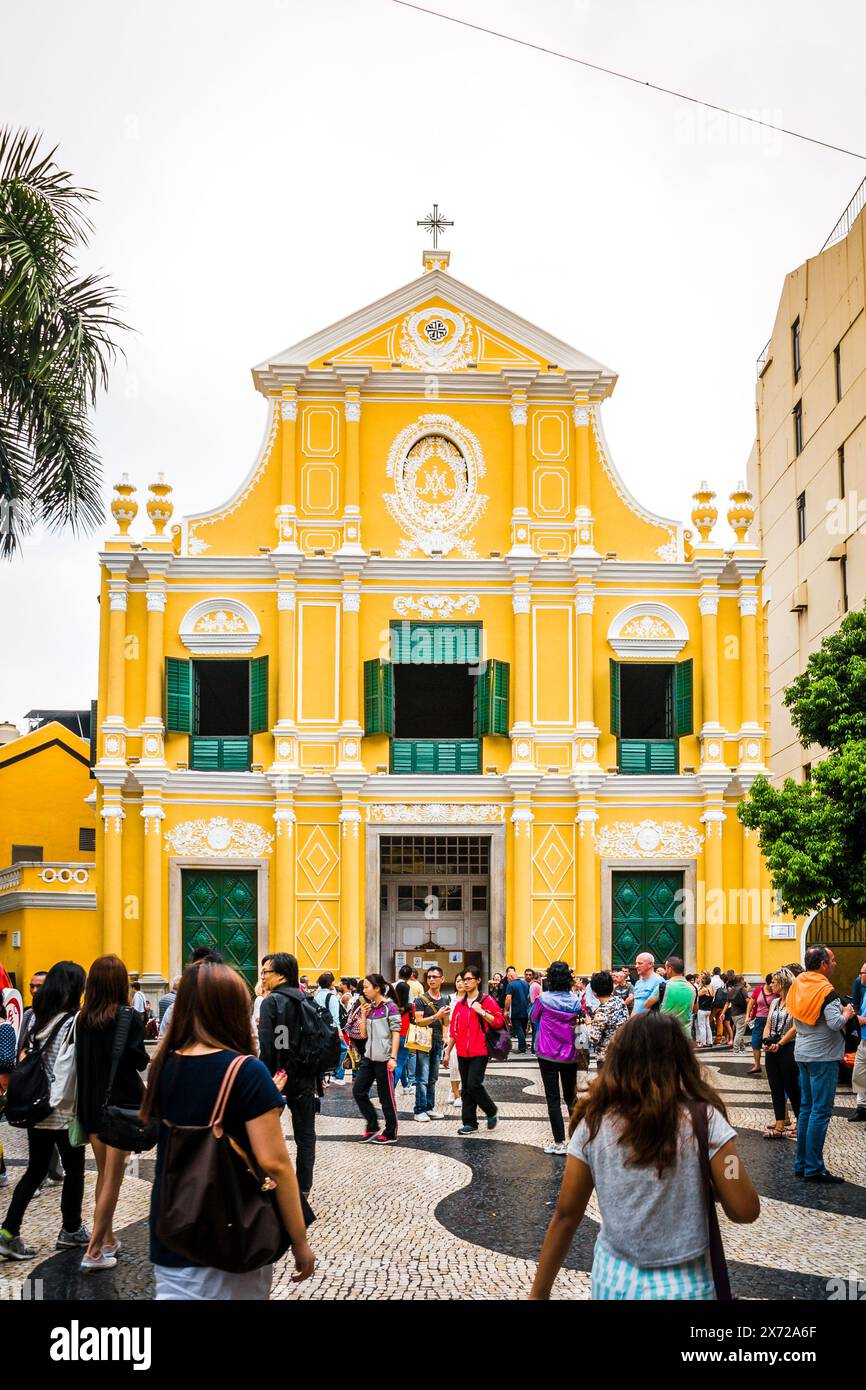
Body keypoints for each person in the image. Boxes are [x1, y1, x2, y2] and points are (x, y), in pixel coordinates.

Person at [529, 1011, 760, 1300]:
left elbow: (566, 1214)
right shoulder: (705, 1120)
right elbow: (745, 1209)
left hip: (613, 1281)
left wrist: (539, 1294)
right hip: (686, 1285)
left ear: (619, 1058)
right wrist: (710, 1183)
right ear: (681, 1059)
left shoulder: (594, 1122)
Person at [141, 961, 314, 1299]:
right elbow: (275, 1164)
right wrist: (299, 1241)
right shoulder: (246, 1071)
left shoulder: (165, 1064)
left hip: (171, 1230)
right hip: (230, 1234)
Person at [0, 961, 88, 1262]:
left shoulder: (40, 1018)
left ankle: (9, 1232)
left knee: (35, 1169)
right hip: (61, 1108)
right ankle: (71, 1229)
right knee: (75, 1169)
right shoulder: (72, 1021)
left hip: (38, 1107)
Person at [75, 953, 149, 1270]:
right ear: (120, 984)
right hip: (119, 1107)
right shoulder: (127, 1017)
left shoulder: (82, 1018)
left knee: (104, 1175)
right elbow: (137, 1060)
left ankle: (105, 1240)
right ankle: (93, 1250)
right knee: (112, 1180)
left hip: (90, 1105)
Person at [786, 944, 855, 1183]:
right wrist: (848, 1012)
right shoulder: (826, 990)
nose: (835, 963)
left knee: (806, 1109)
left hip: (802, 1052)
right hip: (823, 1056)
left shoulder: (798, 984)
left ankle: (801, 1163)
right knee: (820, 1111)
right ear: (823, 964)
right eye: (833, 960)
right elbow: (836, 1023)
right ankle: (814, 1167)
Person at [257, 953, 318, 1198]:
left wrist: (267, 1076)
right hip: (305, 1076)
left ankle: (265, 1180)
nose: (262, 976)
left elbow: (273, 1043)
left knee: (262, 1131)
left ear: (281, 975)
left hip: (278, 1078)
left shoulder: (272, 1002)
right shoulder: (307, 998)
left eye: (266, 972)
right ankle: (303, 1185)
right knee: (305, 1134)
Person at [531, 961, 585, 1155]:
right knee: (571, 1097)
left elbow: (534, 1017)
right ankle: (578, 1140)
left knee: (552, 1098)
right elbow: (581, 1017)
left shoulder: (542, 999)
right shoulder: (575, 1001)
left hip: (547, 1053)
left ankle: (559, 1141)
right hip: (570, 1054)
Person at [449, 965, 504, 1135]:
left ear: (478, 981)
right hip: (461, 1052)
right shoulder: (460, 1004)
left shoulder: (486, 1000)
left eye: (469, 979)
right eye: (463, 980)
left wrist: (482, 1013)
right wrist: (447, 1051)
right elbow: (453, 1029)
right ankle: (469, 1122)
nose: (465, 983)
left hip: (480, 1050)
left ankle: (491, 1110)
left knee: (473, 1084)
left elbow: (499, 1022)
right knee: (466, 1088)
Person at [352, 975, 401, 1144]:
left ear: (377, 988)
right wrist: (364, 1015)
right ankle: (372, 1124)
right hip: (369, 1058)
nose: (364, 990)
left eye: (366, 987)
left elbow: (396, 1033)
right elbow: (363, 1034)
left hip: (384, 1059)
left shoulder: (390, 1007)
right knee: (358, 1091)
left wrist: (393, 1057)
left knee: (385, 1096)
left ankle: (391, 1131)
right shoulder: (371, 1008)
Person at [761, 969, 799, 1140]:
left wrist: (780, 1043)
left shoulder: (795, 1002)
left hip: (788, 1047)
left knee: (791, 1086)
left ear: (783, 983)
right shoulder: (775, 1002)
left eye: (774, 981)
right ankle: (779, 1123)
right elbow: (768, 1023)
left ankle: (800, 1121)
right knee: (775, 1086)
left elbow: (795, 1027)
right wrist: (766, 1040)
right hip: (773, 1048)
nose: (771, 984)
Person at [411, 967, 448, 1122]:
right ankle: (419, 1110)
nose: (431, 979)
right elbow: (419, 1021)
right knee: (422, 1077)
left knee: (433, 1077)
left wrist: (445, 1035)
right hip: (423, 1041)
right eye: (429, 977)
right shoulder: (420, 1000)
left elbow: (446, 1020)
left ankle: (429, 1107)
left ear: (442, 979)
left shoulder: (445, 1000)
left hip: (437, 1041)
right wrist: (436, 1015)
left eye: (435, 977)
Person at [586, 971, 629, 1068]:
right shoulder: (620, 1002)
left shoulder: (602, 1011)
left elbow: (593, 1038)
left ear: (594, 992)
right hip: (623, 1053)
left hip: (607, 1057)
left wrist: (589, 1024)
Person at [314, 973, 345, 1086]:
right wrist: (339, 1030)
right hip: (330, 1030)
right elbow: (335, 1016)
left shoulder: (316, 996)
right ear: (330, 983)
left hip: (319, 1028)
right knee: (343, 1049)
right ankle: (336, 1074)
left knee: (323, 1051)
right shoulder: (332, 997)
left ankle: (325, 1076)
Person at [745, 973, 774, 1076]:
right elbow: (751, 1003)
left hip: (771, 1021)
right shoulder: (758, 990)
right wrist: (747, 1016)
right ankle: (757, 1065)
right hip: (759, 1020)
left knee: (769, 1043)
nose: (773, 985)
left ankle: (769, 1065)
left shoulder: (777, 992)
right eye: (772, 983)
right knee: (755, 1042)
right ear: (767, 982)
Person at [660, 957, 697, 1037]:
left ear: (669, 969)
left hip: (666, 1033)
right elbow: (695, 1009)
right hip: (685, 1034)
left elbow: (647, 1005)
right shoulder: (693, 988)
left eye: (666, 968)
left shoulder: (664, 986)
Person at [444, 972, 465, 1107]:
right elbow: (445, 1020)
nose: (460, 983)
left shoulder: (471, 999)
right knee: (454, 1065)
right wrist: (445, 1035)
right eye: (457, 981)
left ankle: (454, 1090)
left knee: (464, 1067)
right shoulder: (449, 999)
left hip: (467, 1037)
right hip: (452, 1036)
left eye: (462, 981)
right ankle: (457, 1096)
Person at [504, 966, 530, 1054]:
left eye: (508, 978)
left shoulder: (510, 985)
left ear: (511, 977)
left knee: (518, 1030)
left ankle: (522, 1049)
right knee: (523, 1029)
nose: (507, 979)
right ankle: (522, 1047)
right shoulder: (526, 983)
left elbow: (508, 998)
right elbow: (528, 997)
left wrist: (506, 1010)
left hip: (516, 1011)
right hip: (526, 1010)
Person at [727, 975, 750, 1054]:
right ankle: (736, 1049)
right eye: (743, 980)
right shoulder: (742, 989)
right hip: (741, 1013)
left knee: (739, 1031)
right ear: (741, 980)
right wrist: (750, 1009)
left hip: (733, 1014)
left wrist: (723, 1012)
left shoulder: (732, 989)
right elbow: (747, 1001)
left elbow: (727, 1002)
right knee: (740, 1032)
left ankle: (742, 1047)